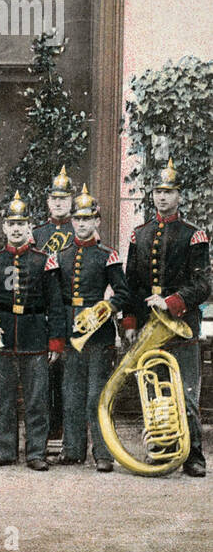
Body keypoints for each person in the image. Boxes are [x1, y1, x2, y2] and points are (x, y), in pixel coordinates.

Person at [122, 159, 209, 477]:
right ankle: (161, 450)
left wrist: (170, 302)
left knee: (186, 394)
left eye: (168, 191)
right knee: (155, 392)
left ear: (179, 196)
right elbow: (130, 284)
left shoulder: (193, 236)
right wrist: (130, 321)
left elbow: (203, 284)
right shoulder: (139, 235)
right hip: (149, 327)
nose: (162, 196)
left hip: (182, 328)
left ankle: (193, 455)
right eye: (158, 190)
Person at [0, 191, 66, 471]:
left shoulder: (44, 261)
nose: (16, 229)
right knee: (3, 397)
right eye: (11, 224)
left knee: (37, 400)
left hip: (34, 335)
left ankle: (35, 452)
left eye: (21, 224)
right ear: (4, 228)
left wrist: (55, 341)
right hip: (2, 337)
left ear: (29, 227)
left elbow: (56, 305)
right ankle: (5, 451)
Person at [57, 185, 130, 471]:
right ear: (72, 221)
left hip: (98, 335)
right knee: (71, 394)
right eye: (78, 219)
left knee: (96, 396)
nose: (82, 224)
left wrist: (107, 307)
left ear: (97, 221)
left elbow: (123, 293)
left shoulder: (106, 255)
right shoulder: (62, 255)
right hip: (71, 333)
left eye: (88, 219)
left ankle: (103, 453)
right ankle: (73, 450)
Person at [35, 165, 75, 449]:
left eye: (64, 198)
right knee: (44, 374)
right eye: (54, 198)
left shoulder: (81, 228)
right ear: (48, 201)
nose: (59, 203)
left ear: (72, 200)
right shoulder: (37, 233)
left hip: (73, 310)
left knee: (70, 376)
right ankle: (45, 431)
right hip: (44, 311)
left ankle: (68, 433)